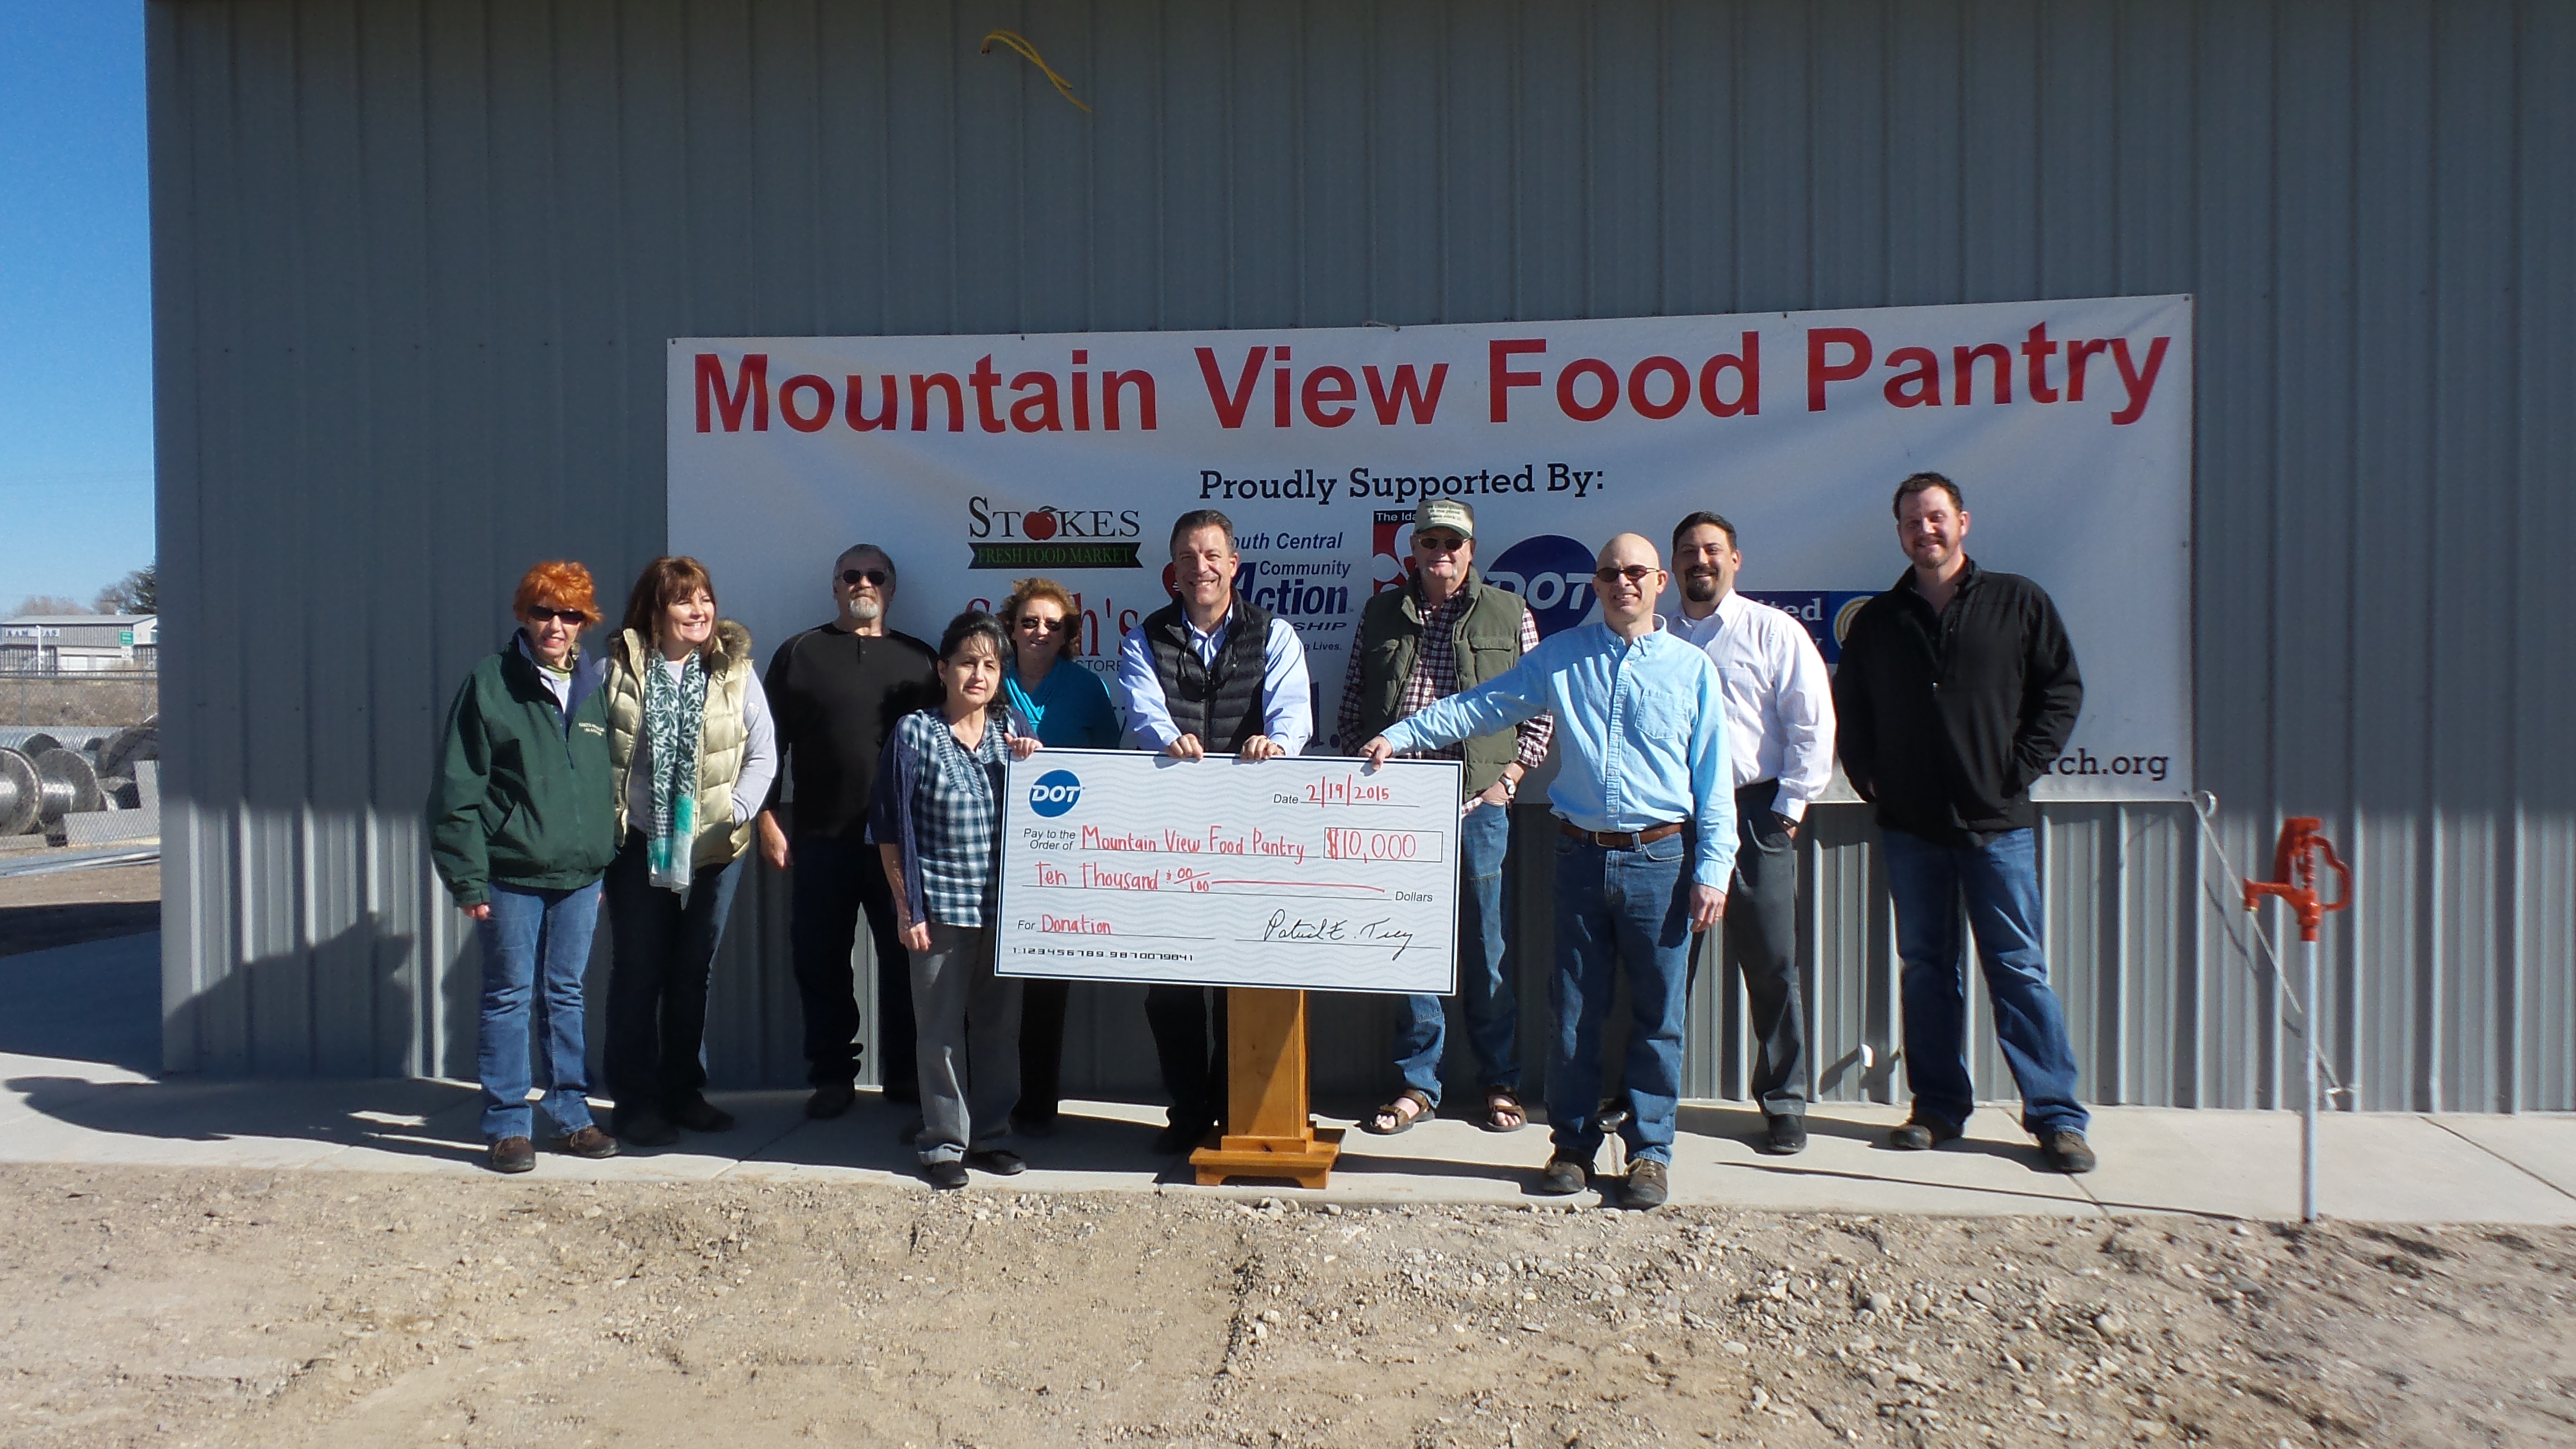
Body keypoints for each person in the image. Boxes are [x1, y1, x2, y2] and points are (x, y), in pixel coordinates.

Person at [1361, 534, 1732, 1210]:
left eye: (1637, 574)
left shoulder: (1691, 669)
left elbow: (1714, 779)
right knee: (1573, 1016)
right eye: (1612, 574)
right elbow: (1482, 707)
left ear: (1658, 583)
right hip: (1581, 858)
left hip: (1662, 860)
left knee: (1659, 1016)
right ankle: (1573, 1145)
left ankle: (1651, 1153)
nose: (1625, 584)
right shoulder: (1563, 657)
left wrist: (1714, 867)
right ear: (1596, 584)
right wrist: (1403, 734)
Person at [1832, 472, 2096, 1174]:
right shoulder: (1881, 622)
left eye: (1937, 518)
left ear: (1963, 522)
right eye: (1913, 523)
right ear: (1900, 534)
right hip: (1911, 828)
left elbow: (2061, 691)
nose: (1927, 531)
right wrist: (1869, 779)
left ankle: (2056, 1117)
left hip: (1996, 826)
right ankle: (1938, 1107)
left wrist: (2018, 768)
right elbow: (1850, 712)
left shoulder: (2018, 602)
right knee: (1926, 971)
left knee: (2018, 969)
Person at [1336, 499, 1550, 1137]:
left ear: (1472, 551)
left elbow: (1539, 709)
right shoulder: (1381, 613)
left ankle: (1499, 1080)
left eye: (1454, 544)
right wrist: (1365, 780)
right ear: (1415, 551)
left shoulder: (1510, 613)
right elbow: (1353, 702)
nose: (1442, 555)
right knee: (1407, 949)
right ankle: (1418, 1082)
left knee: (1486, 949)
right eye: (1430, 543)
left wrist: (1509, 781)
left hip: (1477, 803)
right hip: (1398, 808)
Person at [1112, 509, 1314, 1154]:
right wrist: (1169, 741)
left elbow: (1293, 717)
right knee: (1169, 984)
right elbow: (1145, 714)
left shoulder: (1275, 635)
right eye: (1187, 556)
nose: (1200, 566)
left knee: (1242, 977)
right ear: (1173, 571)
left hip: (1254, 830)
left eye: (1211, 554)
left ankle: (1234, 1109)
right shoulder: (1143, 638)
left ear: (1233, 565)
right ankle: (1188, 1111)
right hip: (1170, 832)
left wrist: (1275, 746)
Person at [429, 561, 623, 1174]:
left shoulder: (595, 685)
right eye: (544, 611)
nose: (557, 625)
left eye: (570, 614)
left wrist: (598, 857)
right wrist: (467, 876)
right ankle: (509, 1124)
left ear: (584, 622)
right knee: (510, 995)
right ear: (524, 614)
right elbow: (457, 790)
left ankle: (572, 1116)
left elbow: (602, 783)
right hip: (510, 875)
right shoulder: (490, 683)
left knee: (565, 994)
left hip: (580, 878)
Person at [1666, 511, 1836, 1155]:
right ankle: (1642, 1097)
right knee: (1663, 965)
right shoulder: (1657, 637)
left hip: (1755, 811)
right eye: (1688, 552)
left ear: (1736, 559)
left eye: (1712, 550)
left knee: (1770, 964)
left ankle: (1785, 1100)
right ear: (1672, 567)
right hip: (1674, 817)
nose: (1700, 561)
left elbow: (1811, 727)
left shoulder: (1773, 632)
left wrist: (1787, 812)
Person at [755, 544, 941, 1122]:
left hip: (899, 843)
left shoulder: (921, 660)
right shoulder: (799, 653)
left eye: (876, 575)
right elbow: (766, 748)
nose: (864, 583)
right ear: (835, 586)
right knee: (820, 958)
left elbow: (943, 751)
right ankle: (833, 1076)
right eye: (852, 575)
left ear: (891, 588)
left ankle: (907, 1076)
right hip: (819, 837)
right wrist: (764, 818)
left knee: (905, 959)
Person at [602, 556, 776, 1147]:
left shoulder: (734, 673)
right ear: (656, 610)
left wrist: (737, 811)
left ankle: (683, 1092)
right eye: (684, 600)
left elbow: (763, 754)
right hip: (639, 847)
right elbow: (592, 755)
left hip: (714, 850)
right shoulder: (616, 671)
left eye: (704, 598)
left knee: (690, 972)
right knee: (638, 972)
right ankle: (634, 1103)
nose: (699, 611)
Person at [870, 610, 1044, 1188]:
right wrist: (907, 907)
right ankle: (944, 1143)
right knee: (940, 1032)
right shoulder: (915, 733)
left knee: (999, 1030)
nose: (979, 674)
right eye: (968, 662)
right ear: (944, 669)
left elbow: (1046, 811)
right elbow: (891, 828)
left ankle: (993, 1136)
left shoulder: (1011, 732)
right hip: (941, 909)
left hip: (1002, 913)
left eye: (991, 665)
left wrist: (1035, 764)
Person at [996, 576, 1123, 1137]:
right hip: (992, 847)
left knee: (1046, 987)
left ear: (1070, 633)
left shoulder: (1086, 688)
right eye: (1029, 621)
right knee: (990, 988)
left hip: (1060, 855)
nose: (1039, 631)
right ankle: (987, 1098)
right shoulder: (989, 680)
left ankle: (1038, 1103)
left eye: (1052, 624)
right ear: (1011, 627)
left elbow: (1110, 765)